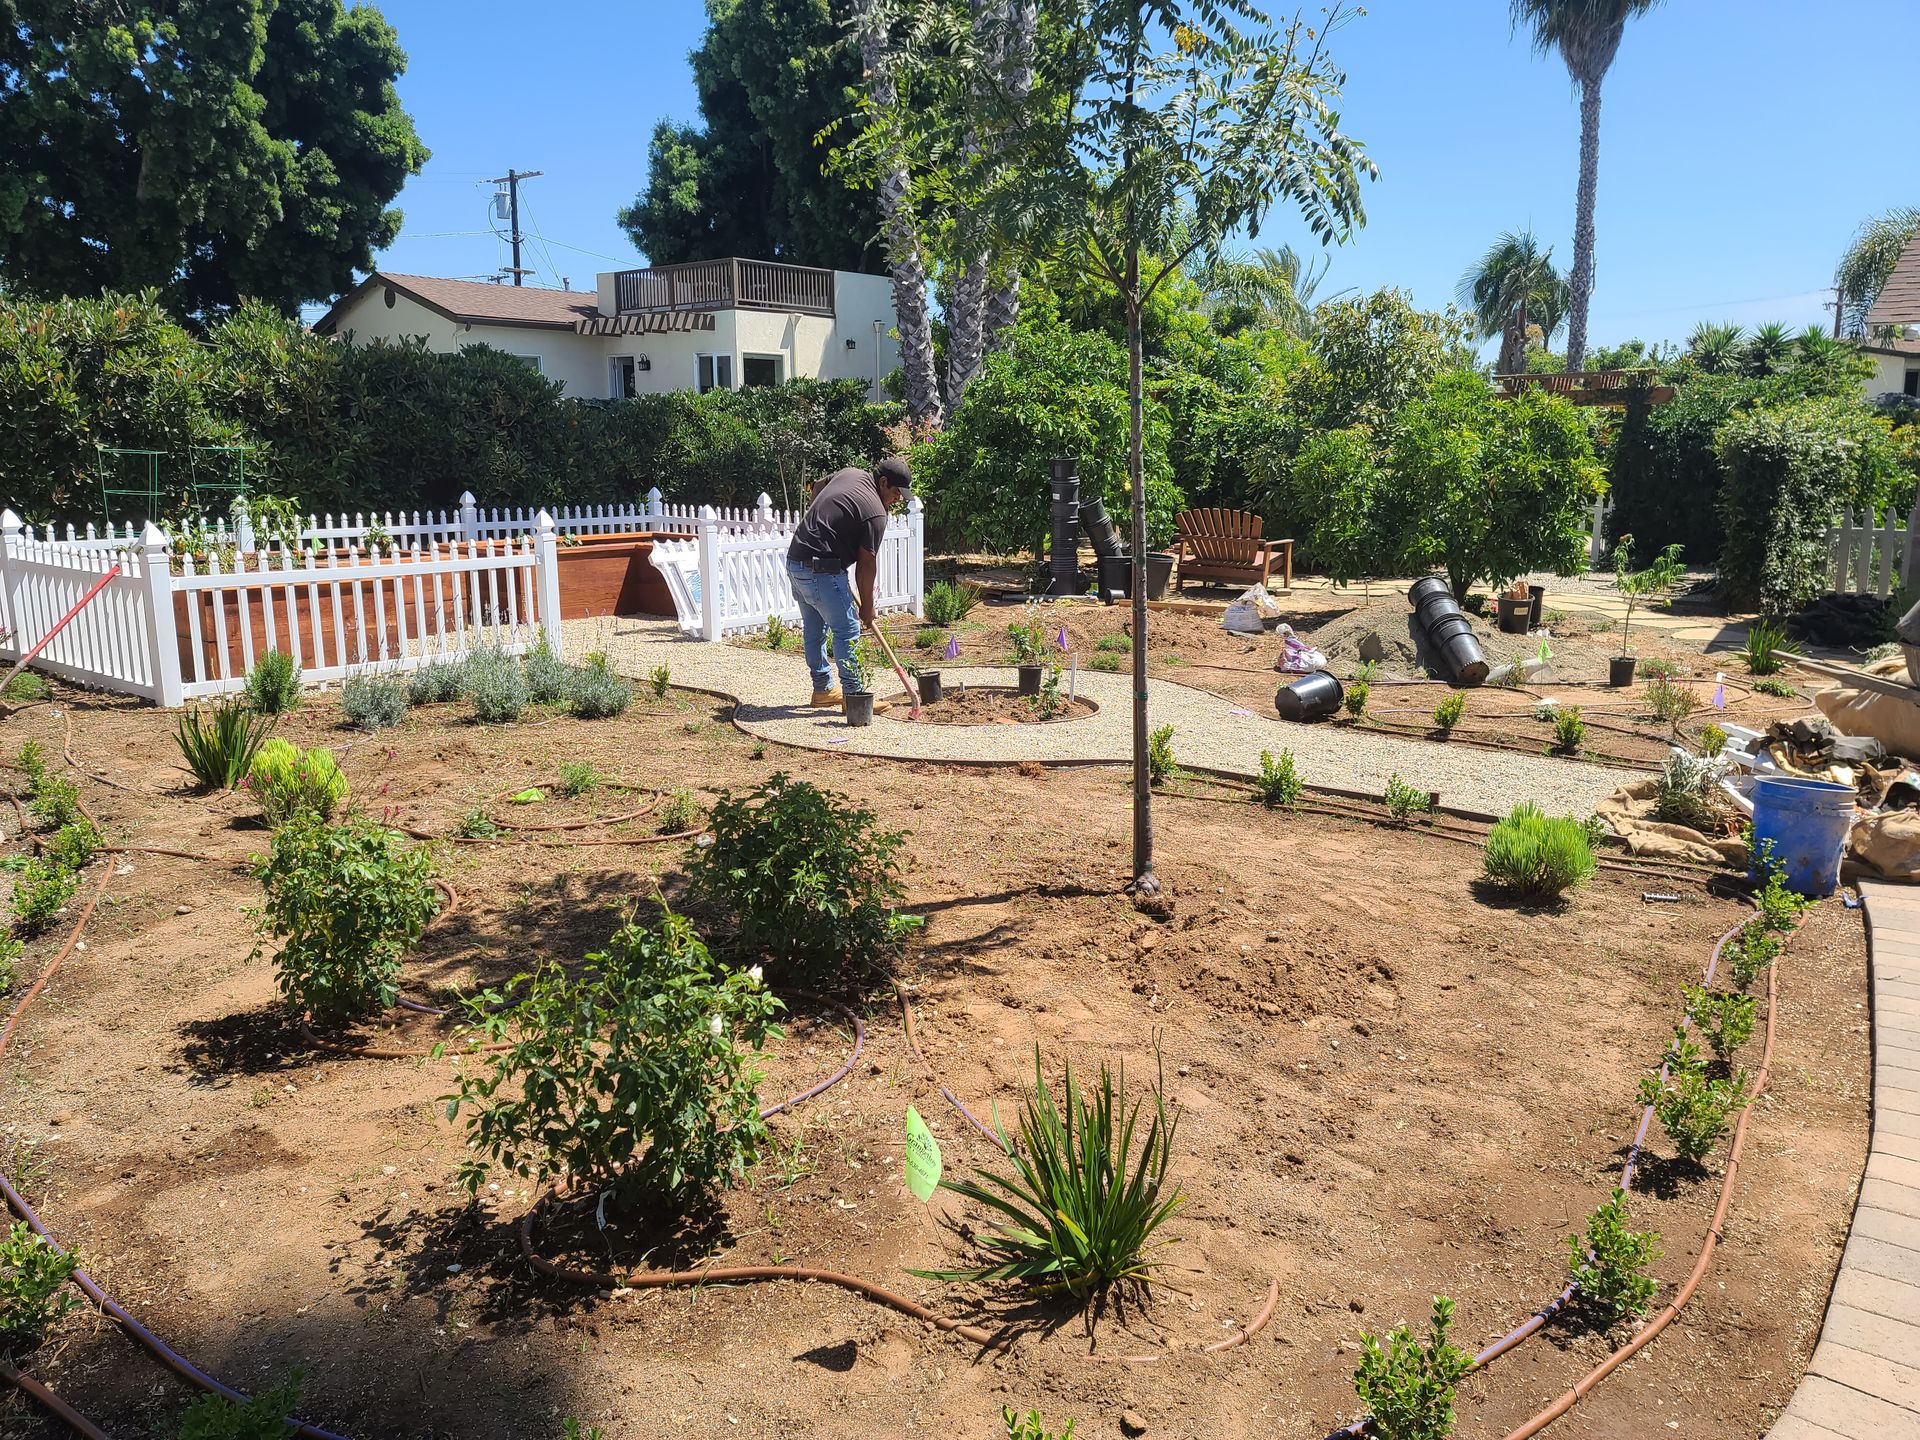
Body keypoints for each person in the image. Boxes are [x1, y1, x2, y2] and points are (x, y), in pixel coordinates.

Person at [785, 457, 911, 708]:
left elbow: (819, 486)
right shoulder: (876, 513)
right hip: (823, 570)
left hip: (796, 561)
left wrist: (818, 523)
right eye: (896, 492)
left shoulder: (850, 473)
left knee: (815, 629)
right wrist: (867, 606)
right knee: (847, 630)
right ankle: (854, 697)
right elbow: (866, 565)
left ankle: (822, 691)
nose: (898, 499)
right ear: (883, 482)